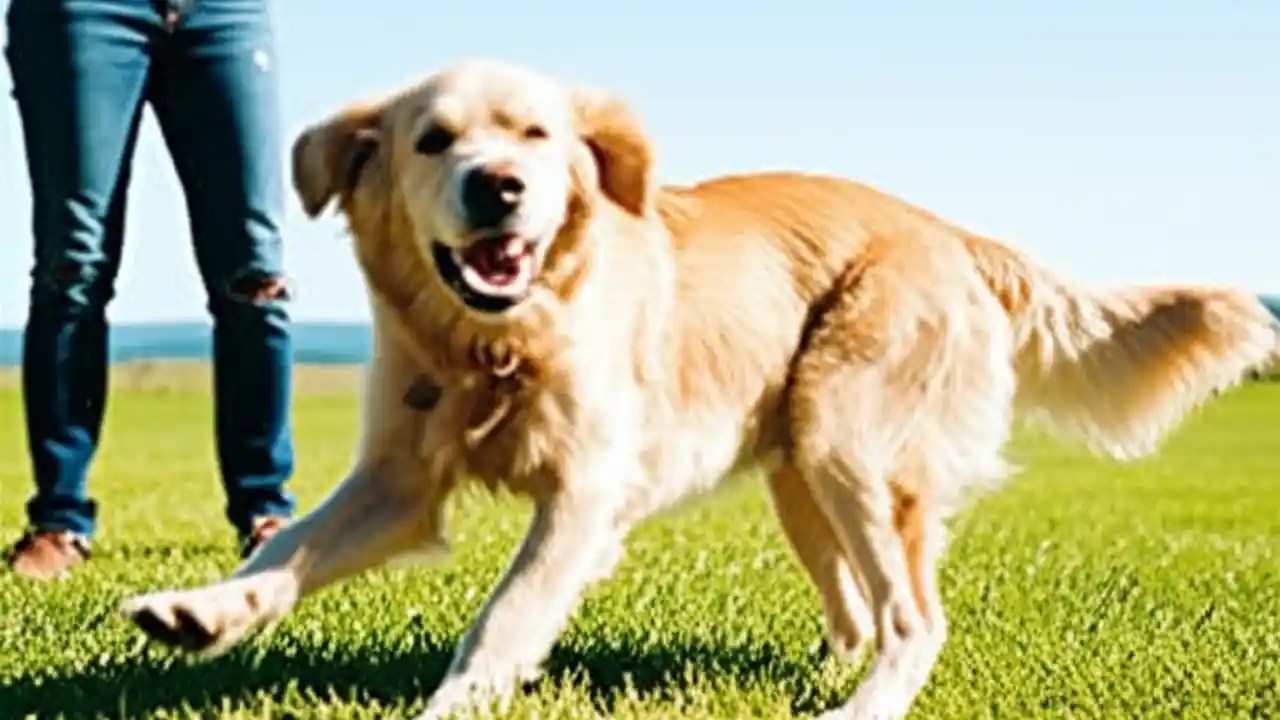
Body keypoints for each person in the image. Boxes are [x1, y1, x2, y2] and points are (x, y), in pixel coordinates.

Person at [3, 0, 296, 580]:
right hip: (81, 12)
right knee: (74, 266)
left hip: (220, 13)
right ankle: (60, 519)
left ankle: (267, 512)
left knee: (255, 273)